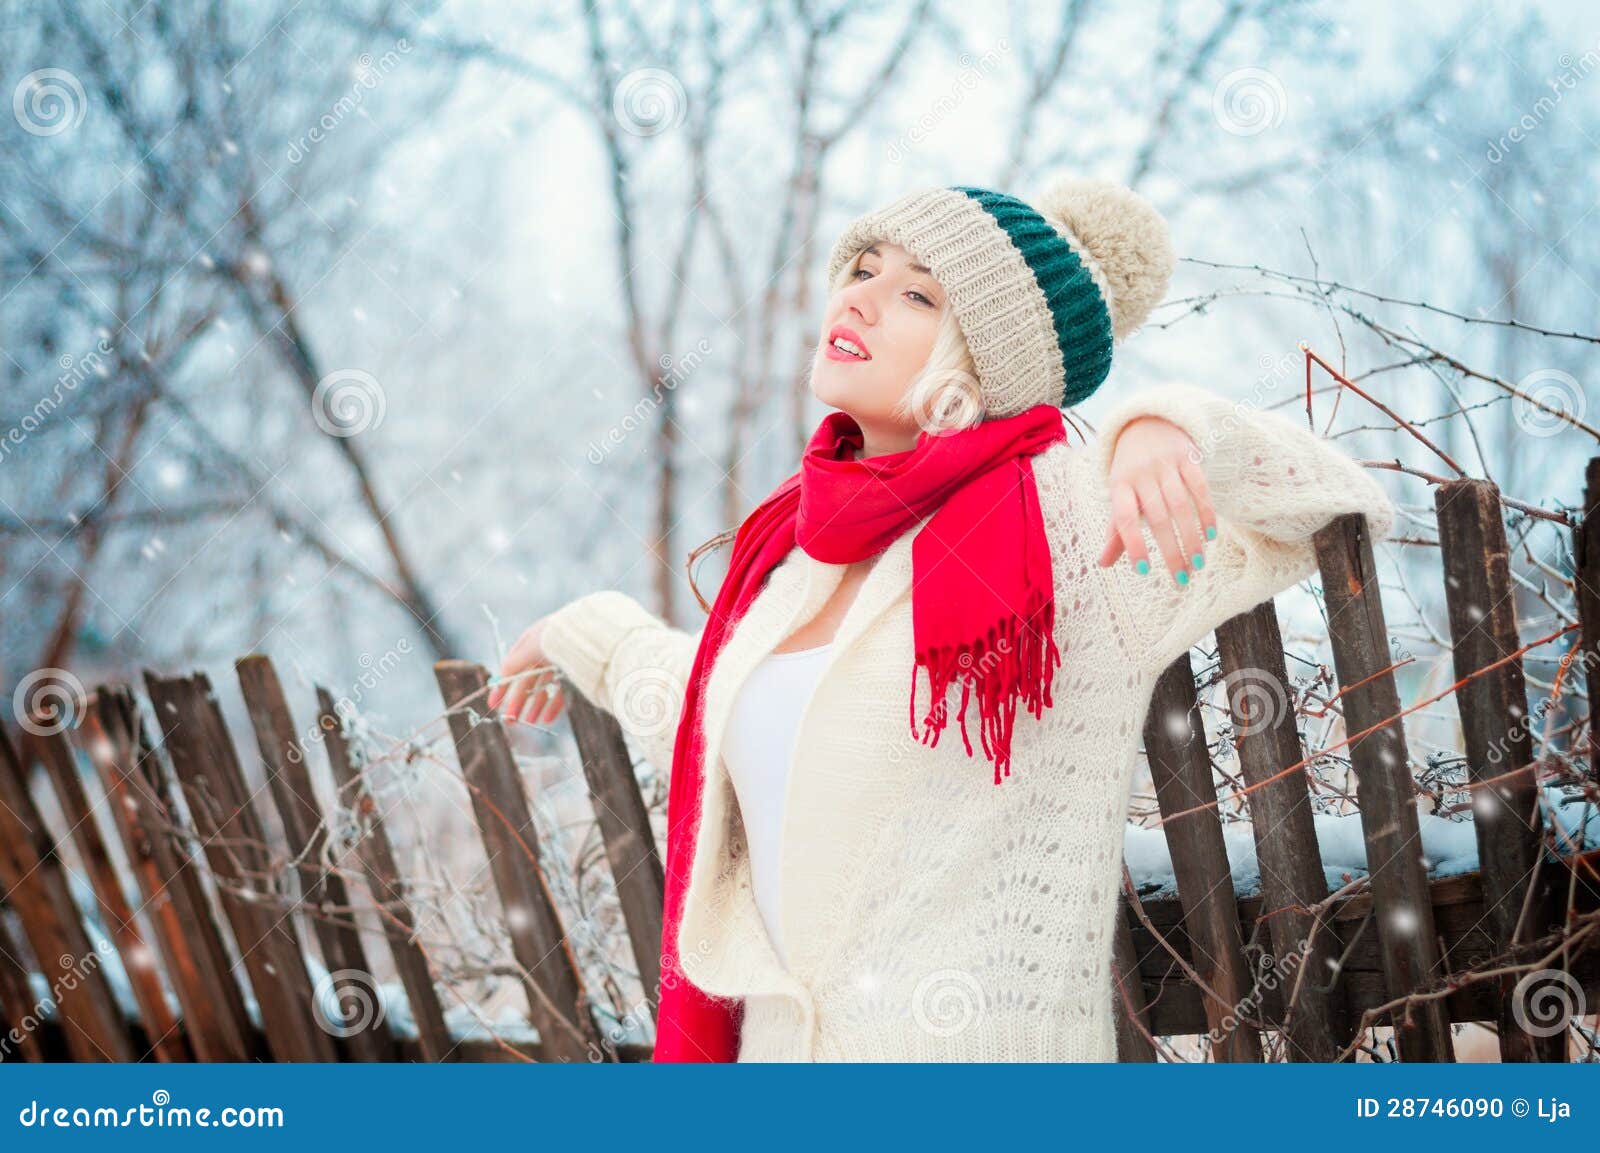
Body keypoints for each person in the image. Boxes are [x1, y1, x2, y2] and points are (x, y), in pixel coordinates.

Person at [487, 176, 1396, 1062]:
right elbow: (732, 724)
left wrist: (1171, 426)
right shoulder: (803, 552)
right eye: (863, 267)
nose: (863, 300)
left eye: (917, 292)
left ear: (986, 353)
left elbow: (1338, 501)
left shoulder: (1071, 524)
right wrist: (588, 632)